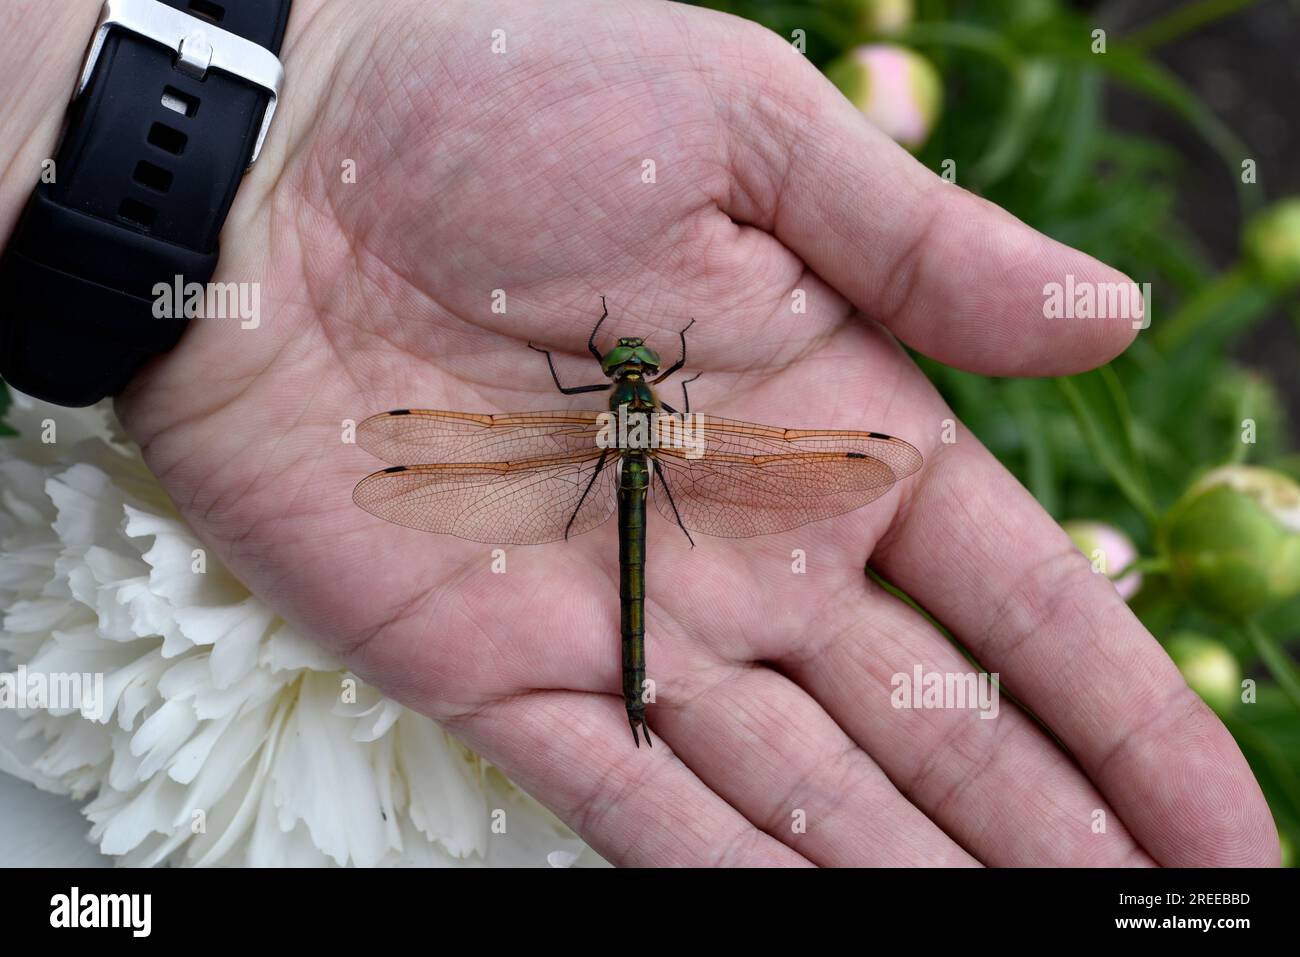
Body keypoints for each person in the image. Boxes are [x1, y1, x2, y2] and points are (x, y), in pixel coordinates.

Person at [0, 0, 1278, 866]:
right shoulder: (660, 413)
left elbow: (544, 412)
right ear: (642, 381)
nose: (624, 367)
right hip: (647, 483)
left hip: (580, 483)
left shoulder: (597, 404)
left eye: (627, 364)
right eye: (625, 363)